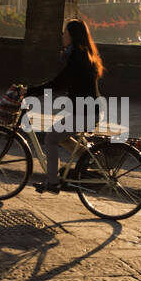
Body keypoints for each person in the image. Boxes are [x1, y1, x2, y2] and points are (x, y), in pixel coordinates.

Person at [28, 18, 104, 193]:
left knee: (51, 137)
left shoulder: (77, 56)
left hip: (85, 113)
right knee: (60, 135)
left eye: (65, 33)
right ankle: (88, 157)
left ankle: (53, 182)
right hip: (88, 110)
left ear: (72, 35)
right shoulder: (83, 53)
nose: (62, 36)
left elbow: (58, 83)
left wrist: (31, 91)